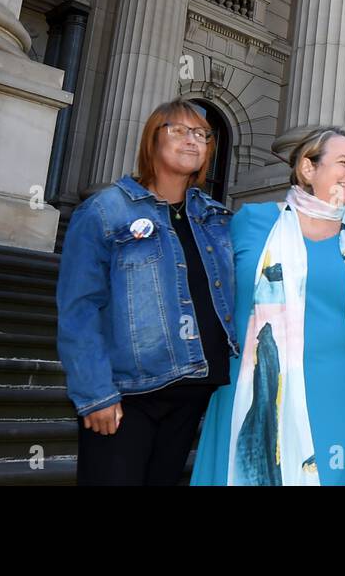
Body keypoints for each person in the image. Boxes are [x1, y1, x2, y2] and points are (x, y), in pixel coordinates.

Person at [57, 99, 237, 486]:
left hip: (195, 391)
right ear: (152, 139)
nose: (193, 141)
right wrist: (94, 392)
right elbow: (80, 307)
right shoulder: (106, 210)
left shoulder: (215, 218)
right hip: (129, 393)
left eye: (202, 134)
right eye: (179, 130)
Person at [190, 127, 345, 485]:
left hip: (338, 386)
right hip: (256, 377)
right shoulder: (253, 222)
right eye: (343, 163)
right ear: (308, 169)